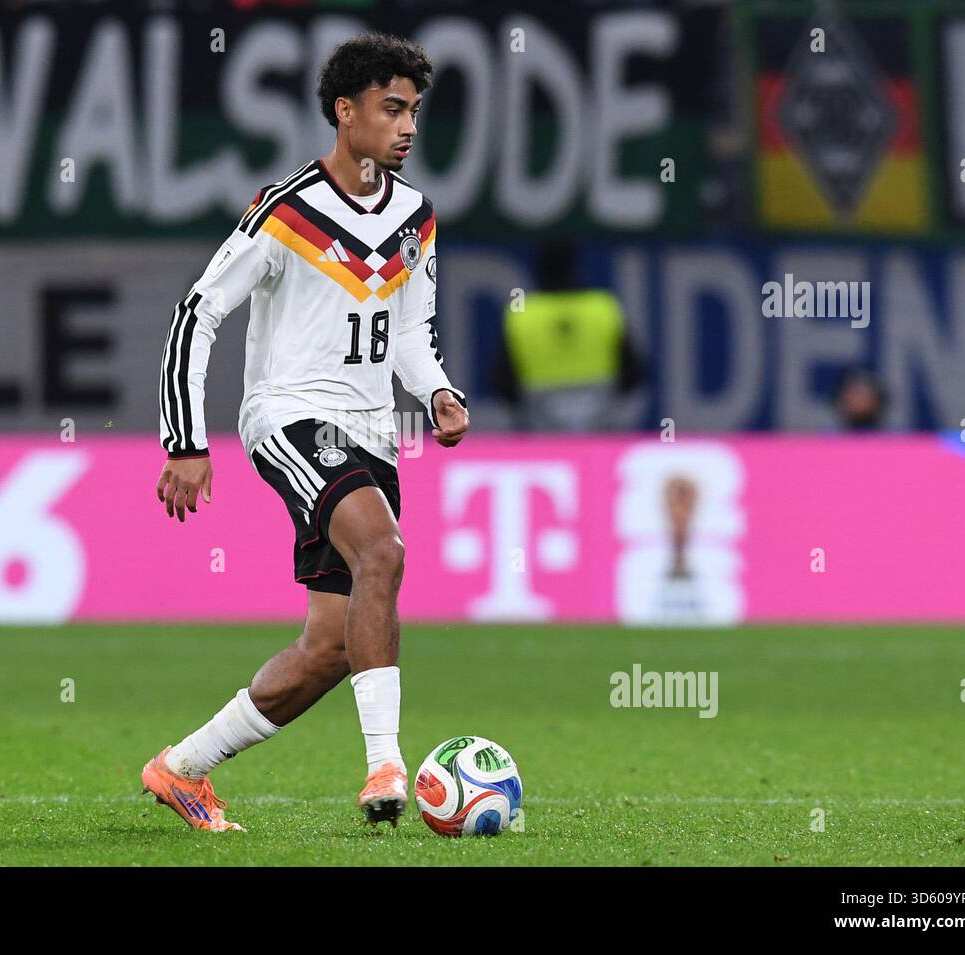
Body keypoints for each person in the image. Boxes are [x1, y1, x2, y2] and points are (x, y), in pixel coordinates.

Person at [145, 32, 469, 831]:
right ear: (345, 110)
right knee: (384, 553)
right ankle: (385, 765)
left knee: (330, 646)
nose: (408, 127)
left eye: (415, 112)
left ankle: (182, 768)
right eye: (392, 109)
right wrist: (185, 440)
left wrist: (438, 393)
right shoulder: (288, 210)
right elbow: (200, 311)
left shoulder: (416, 218)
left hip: (373, 430)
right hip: (290, 414)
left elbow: (410, 337)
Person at [490, 241, 644, 431]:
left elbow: (503, 384)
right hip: (600, 430)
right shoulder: (604, 308)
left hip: (541, 433)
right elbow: (633, 373)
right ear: (575, 267)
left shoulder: (522, 314)